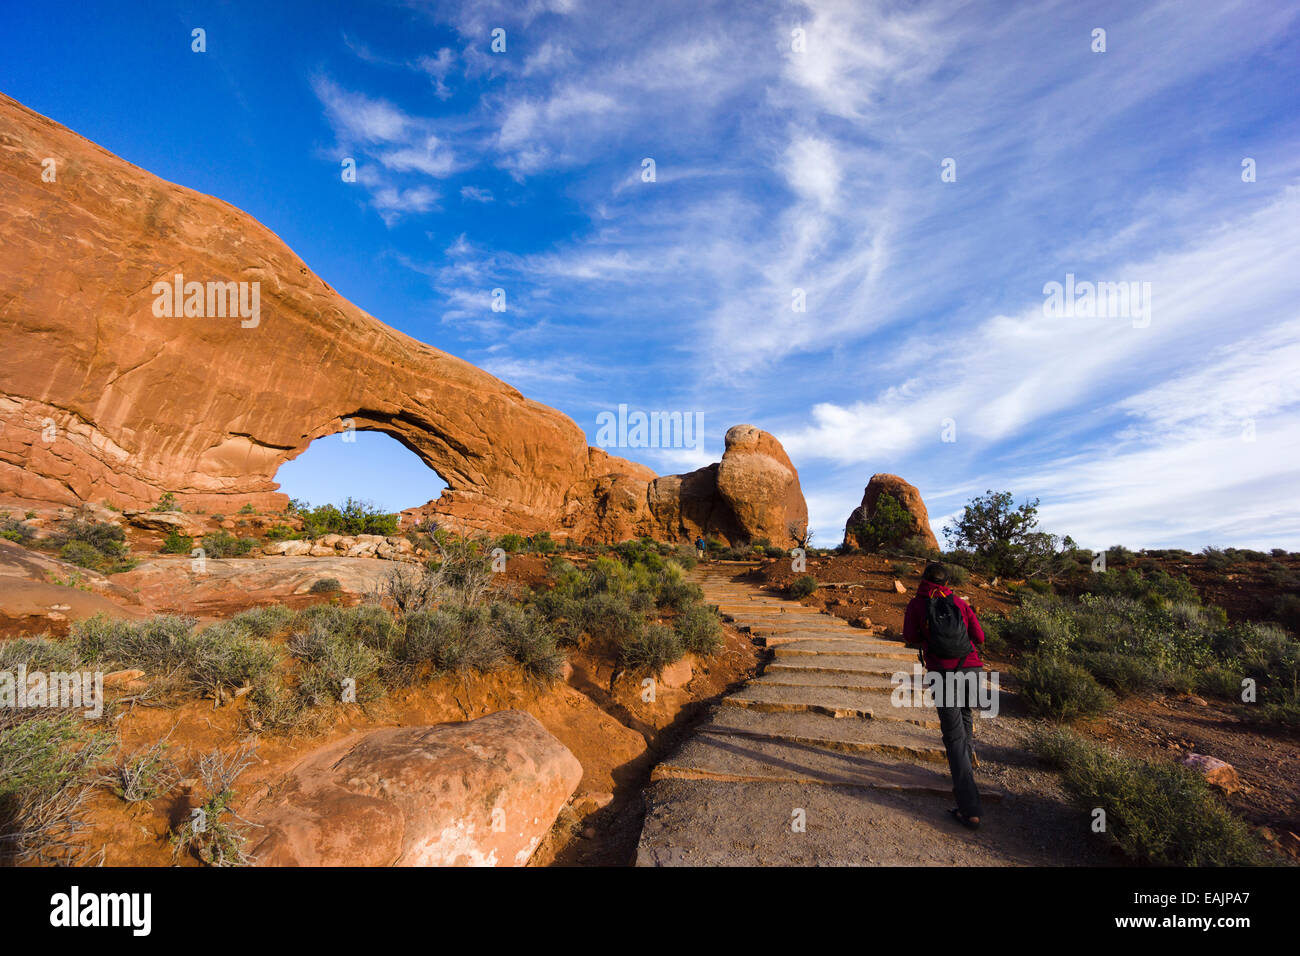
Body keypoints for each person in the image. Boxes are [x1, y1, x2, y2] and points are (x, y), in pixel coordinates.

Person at [902, 561, 986, 830]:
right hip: (971, 667)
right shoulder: (959, 602)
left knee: (954, 736)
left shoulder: (917, 604)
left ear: (924, 579)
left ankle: (969, 807)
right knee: (965, 718)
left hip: (942, 672)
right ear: (947, 582)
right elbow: (980, 637)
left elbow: (909, 636)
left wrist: (929, 636)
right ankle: (967, 776)